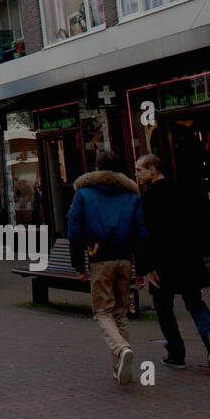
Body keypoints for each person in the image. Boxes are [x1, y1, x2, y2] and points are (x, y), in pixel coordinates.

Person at [67, 150, 149, 386]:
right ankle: (119, 368)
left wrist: (78, 264)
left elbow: (74, 229)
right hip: (125, 259)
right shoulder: (131, 195)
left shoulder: (83, 194)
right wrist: (141, 268)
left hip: (99, 257)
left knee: (102, 312)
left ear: (97, 167)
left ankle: (122, 349)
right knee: (120, 312)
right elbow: (142, 233)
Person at [136, 154, 210, 371]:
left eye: (140, 170)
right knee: (195, 302)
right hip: (188, 257)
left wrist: (146, 267)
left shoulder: (148, 199)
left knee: (164, 308)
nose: (137, 174)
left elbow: (144, 235)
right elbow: (199, 222)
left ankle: (176, 353)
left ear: (153, 170)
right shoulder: (182, 191)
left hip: (163, 261)